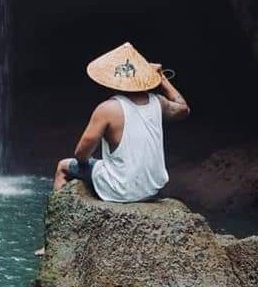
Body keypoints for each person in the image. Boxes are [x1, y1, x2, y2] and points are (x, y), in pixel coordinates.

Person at [52, 42, 190, 199]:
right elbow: (183, 109)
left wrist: (94, 165)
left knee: (63, 167)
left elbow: (81, 154)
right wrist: (162, 79)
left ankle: (59, 210)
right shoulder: (158, 102)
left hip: (120, 189)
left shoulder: (107, 109)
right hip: (152, 188)